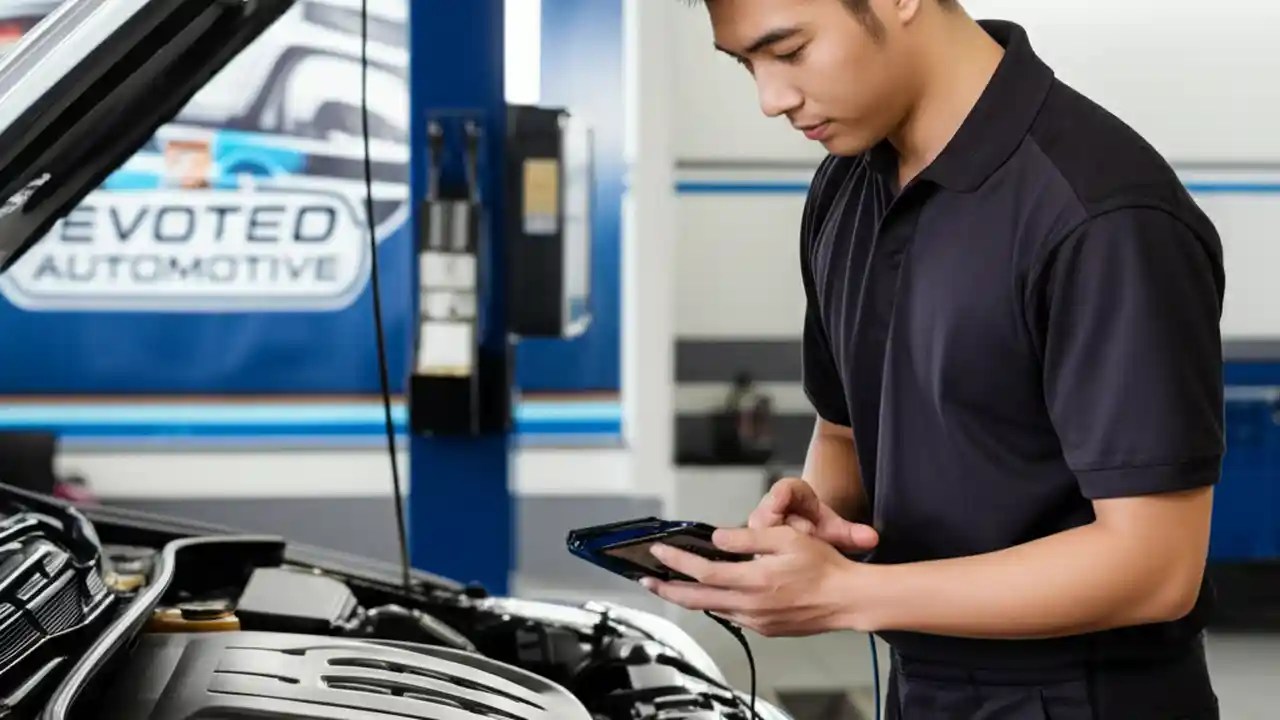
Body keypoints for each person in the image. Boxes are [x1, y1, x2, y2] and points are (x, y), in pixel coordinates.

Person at [645, 1, 1226, 717]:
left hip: (1086, 697)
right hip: (922, 682)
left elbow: (1155, 569)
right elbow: (844, 432)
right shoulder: (845, 186)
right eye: (747, 65)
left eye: (789, 52)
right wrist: (817, 520)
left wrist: (846, 593)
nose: (771, 99)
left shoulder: (1101, 212)